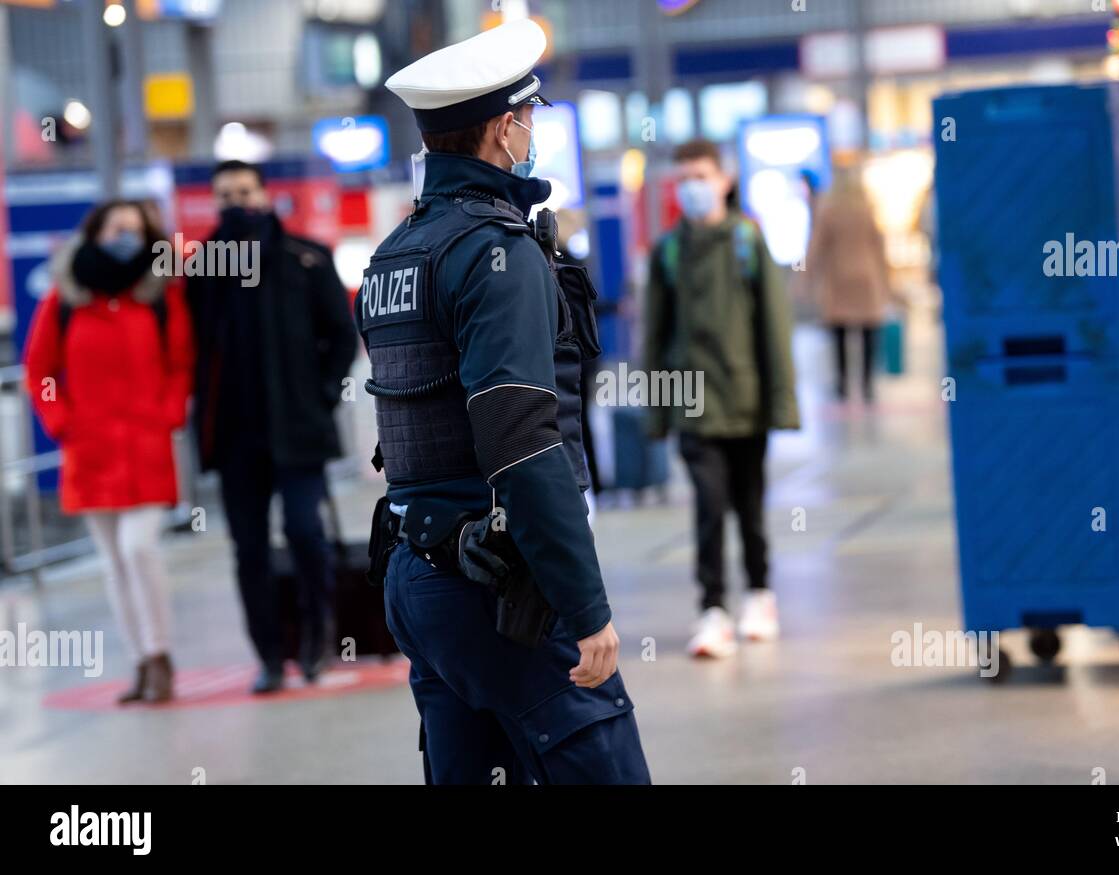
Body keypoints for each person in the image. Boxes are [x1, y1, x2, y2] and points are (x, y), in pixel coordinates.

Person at [359, 19, 650, 785]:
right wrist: (586, 607)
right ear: (501, 128)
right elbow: (522, 442)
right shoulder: (499, 254)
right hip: (501, 591)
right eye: (527, 116)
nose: (531, 131)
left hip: (418, 576)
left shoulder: (397, 254)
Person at [186, 160, 358, 694]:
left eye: (244, 191)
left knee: (305, 532)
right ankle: (269, 655)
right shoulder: (203, 270)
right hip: (235, 434)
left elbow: (342, 336)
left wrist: (325, 395)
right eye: (226, 195)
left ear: (264, 194)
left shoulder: (306, 258)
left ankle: (317, 637)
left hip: (297, 427)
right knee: (249, 548)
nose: (237, 202)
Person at [24, 200, 194, 703]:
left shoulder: (161, 294)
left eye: (135, 229)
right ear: (95, 233)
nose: (126, 235)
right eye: (116, 227)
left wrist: (168, 412)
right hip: (89, 449)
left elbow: (181, 362)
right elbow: (41, 371)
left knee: (138, 549)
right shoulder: (66, 298)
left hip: (146, 444)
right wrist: (61, 420)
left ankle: (160, 654)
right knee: (114, 564)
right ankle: (139, 661)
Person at [642, 138, 800, 659]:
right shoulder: (669, 250)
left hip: (746, 401)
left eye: (701, 176)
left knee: (750, 507)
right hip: (692, 403)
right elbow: (654, 336)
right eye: (684, 177)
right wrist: (657, 413)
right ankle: (712, 608)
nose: (692, 187)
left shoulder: (746, 242)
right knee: (708, 509)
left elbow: (775, 330)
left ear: (724, 180)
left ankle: (759, 593)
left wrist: (782, 405)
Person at [803, 164, 898, 402]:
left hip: (838, 278)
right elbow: (880, 247)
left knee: (840, 333)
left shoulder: (829, 210)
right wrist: (887, 282)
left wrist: (804, 276)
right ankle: (867, 385)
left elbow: (815, 248)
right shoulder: (866, 208)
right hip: (867, 278)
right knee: (868, 333)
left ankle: (842, 384)